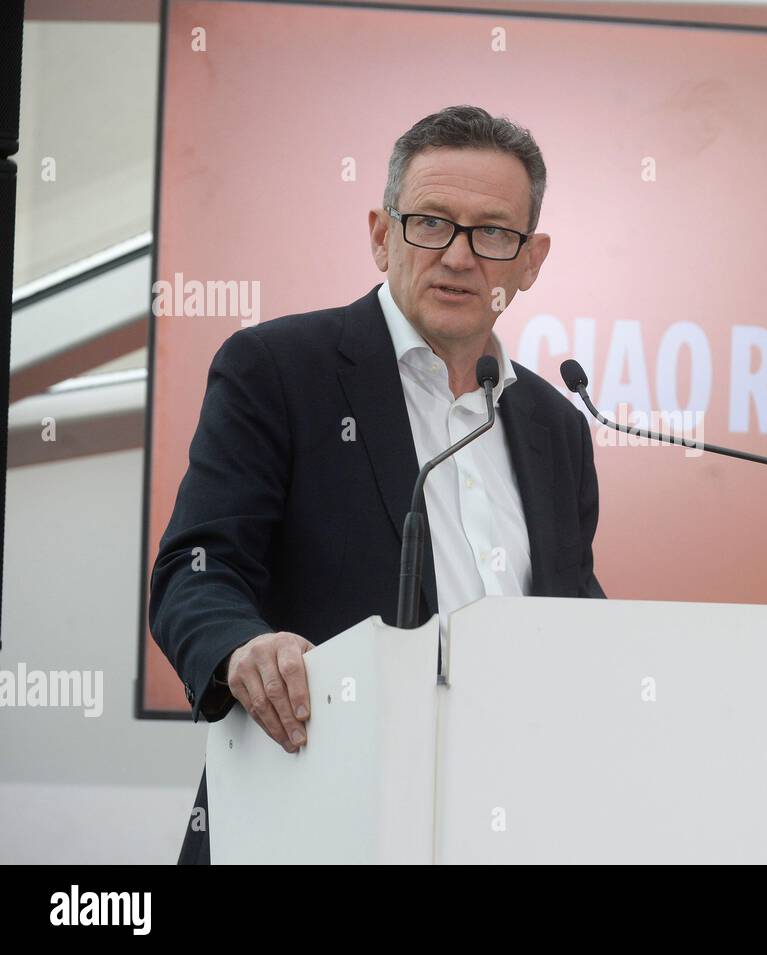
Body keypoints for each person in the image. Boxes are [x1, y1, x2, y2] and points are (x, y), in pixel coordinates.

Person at [149, 105, 605, 864]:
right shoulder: (279, 369)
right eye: (430, 222)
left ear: (531, 260)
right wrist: (241, 647)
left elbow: (571, 606)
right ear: (380, 234)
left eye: (493, 233)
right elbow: (197, 568)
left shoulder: (554, 425)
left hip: (506, 824)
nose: (459, 257)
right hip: (318, 811)